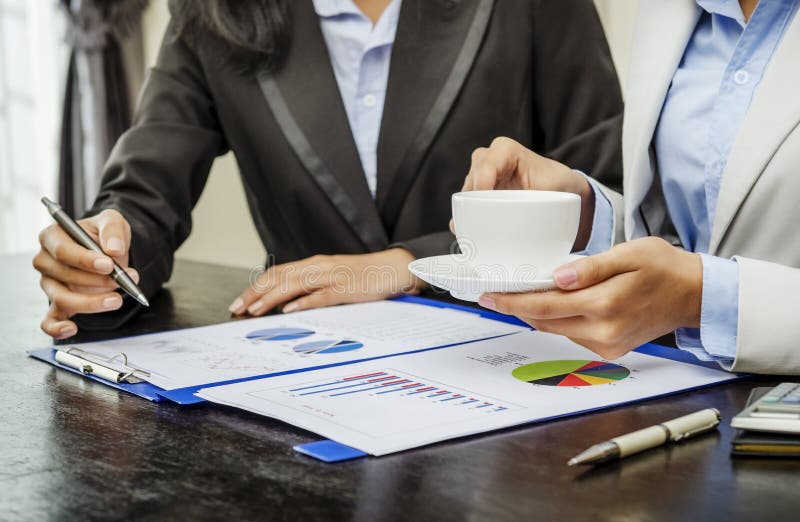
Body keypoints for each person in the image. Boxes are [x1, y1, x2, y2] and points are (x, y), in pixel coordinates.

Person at [33, 0, 623, 339]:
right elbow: (144, 197)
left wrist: (409, 266)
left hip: (515, 364)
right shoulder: (211, 11)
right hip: (303, 373)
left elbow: (610, 199)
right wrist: (104, 256)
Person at [463, 0, 800, 375]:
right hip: (678, 379)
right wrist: (579, 213)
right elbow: (680, 238)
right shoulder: (669, 9)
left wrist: (701, 297)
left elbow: (692, 277)